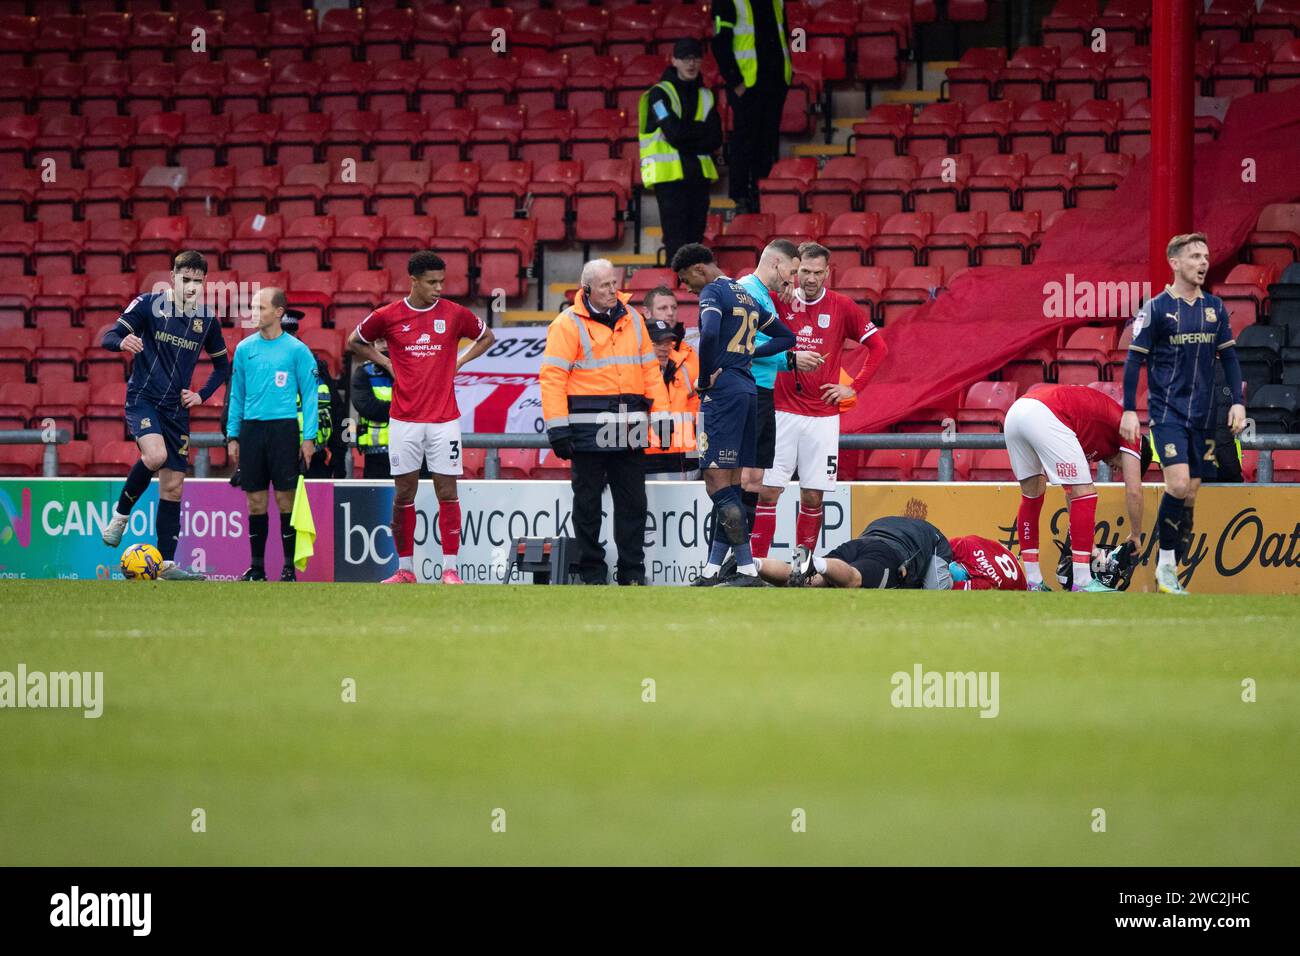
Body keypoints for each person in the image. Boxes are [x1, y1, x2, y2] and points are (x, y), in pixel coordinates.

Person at [346, 252, 496, 585]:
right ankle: (405, 569)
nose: (439, 288)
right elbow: (354, 341)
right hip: (404, 420)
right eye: (432, 282)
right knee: (403, 494)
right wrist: (385, 363)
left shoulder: (455, 314)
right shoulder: (389, 315)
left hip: (444, 420)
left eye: (442, 281)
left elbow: (487, 337)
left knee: (448, 491)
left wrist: (459, 360)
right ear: (413, 281)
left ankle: (450, 569)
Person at [1121, 232, 1246, 595]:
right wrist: (1130, 410)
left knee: (1190, 491)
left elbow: (1231, 357)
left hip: (1204, 417)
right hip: (1168, 413)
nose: (1203, 262)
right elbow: (1133, 361)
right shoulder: (1156, 308)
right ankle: (1165, 567)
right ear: (1175, 262)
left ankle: (1173, 558)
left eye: (1205, 256)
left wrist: (1237, 401)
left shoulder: (1215, 308)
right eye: (1194, 256)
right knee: (1176, 484)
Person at [753, 241, 890, 562]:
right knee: (768, 491)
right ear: (795, 270)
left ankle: (804, 565)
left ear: (828, 273)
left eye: (817, 273)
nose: (811, 279)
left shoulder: (842, 306)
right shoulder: (778, 301)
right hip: (781, 412)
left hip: (823, 417)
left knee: (813, 496)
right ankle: (755, 566)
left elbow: (879, 348)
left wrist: (853, 387)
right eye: (804, 272)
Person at [540, 259, 673, 585]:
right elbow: (552, 377)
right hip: (588, 428)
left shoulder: (634, 320)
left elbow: (650, 374)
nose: (613, 290)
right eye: (605, 286)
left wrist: (664, 418)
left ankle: (632, 573)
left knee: (634, 504)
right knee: (587, 505)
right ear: (587, 289)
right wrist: (557, 427)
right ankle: (592, 573)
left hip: (630, 425)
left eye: (614, 283)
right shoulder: (566, 324)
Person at [99, 250, 229, 580]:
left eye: (197, 282)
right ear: (172, 277)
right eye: (185, 280)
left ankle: (167, 564)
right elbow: (108, 336)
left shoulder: (206, 319)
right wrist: (123, 341)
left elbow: (222, 366)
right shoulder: (148, 305)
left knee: (173, 488)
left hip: (176, 410)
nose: (190, 288)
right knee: (155, 456)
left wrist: (201, 395)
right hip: (144, 399)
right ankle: (121, 515)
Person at [670, 242, 795, 586]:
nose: (687, 288)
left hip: (722, 395)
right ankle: (713, 569)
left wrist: (706, 374)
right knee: (733, 485)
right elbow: (786, 336)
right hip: (749, 391)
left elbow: (709, 332)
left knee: (715, 483)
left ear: (698, 269)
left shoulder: (713, 292)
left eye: (685, 279)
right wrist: (751, 351)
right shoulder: (745, 295)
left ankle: (746, 568)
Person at [1006, 383, 1152, 592]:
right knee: (1086, 494)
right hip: (1046, 413)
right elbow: (1134, 490)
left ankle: (1033, 581)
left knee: (1032, 494)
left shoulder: (1091, 436)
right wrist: (1136, 534)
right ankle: (1082, 581)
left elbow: (1070, 492)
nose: (1115, 470)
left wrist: (1087, 545)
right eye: (1121, 468)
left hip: (1018, 411)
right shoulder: (1132, 434)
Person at [225, 288, 319, 582]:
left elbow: (311, 394)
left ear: (278, 312)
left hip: (283, 429)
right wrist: (233, 435)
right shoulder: (244, 349)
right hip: (252, 431)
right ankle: (257, 568)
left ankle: (289, 568)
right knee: (255, 501)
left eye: (261, 308)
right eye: (253, 307)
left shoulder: (297, 350)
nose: (255, 313)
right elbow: (236, 395)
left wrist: (309, 437)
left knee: (285, 500)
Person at [736, 239, 807, 541]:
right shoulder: (747, 292)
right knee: (742, 479)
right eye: (790, 272)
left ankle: (741, 558)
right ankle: (731, 556)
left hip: (762, 390)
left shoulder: (763, 295)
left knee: (754, 480)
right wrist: (789, 359)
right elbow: (746, 344)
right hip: (747, 388)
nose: (791, 281)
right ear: (776, 263)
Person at [638, 38, 723, 264]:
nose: (691, 63)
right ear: (674, 60)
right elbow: (674, 133)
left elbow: (715, 138)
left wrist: (685, 135)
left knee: (696, 238)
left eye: (695, 58)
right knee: (676, 239)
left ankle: (690, 289)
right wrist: (697, 133)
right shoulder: (658, 95)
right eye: (685, 58)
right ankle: (676, 287)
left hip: (698, 175)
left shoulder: (707, 95)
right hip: (670, 178)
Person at [711, 0, 791, 212]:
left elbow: (784, 34)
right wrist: (735, 80)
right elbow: (720, 42)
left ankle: (760, 192)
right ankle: (740, 196)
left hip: (775, 82)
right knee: (745, 141)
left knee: (767, 141)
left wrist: (785, 77)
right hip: (747, 84)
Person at [758, 516, 955, 589]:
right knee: (853, 579)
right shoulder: (941, 542)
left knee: (810, 581)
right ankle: (815, 562)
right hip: (888, 553)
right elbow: (937, 587)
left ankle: (752, 563)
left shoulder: (913, 527)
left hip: (864, 539)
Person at [279, 308, 343, 479]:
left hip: (317, 458)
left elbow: (336, 411)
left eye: (291, 333)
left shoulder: (318, 366)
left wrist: (339, 456)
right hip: (278, 458)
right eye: (283, 333)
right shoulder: (261, 365)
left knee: (316, 505)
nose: (288, 339)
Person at [644, 316, 701, 480]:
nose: (664, 348)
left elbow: (695, 411)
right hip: (647, 459)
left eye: (668, 343)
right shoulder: (633, 375)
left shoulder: (684, 369)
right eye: (657, 343)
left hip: (685, 459)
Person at [351, 340, 394, 480]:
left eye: (388, 339)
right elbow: (368, 408)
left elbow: (420, 404)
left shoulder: (413, 370)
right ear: (373, 345)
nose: (385, 344)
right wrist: (404, 409)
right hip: (376, 456)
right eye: (380, 340)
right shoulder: (363, 372)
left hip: (412, 453)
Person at [947, 535, 1027, 591]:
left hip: (1018, 584)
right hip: (1005, 560)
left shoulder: (983, 584)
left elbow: (946, 587)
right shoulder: (962, 545)